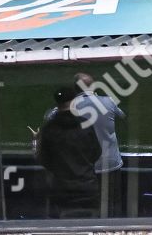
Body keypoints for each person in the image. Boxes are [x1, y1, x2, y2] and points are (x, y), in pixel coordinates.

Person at [35, 86, 102, 219]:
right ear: (74, 101)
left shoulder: (49, 128)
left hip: (61, 189)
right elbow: (96, 152)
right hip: (87, 187)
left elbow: (44, 159)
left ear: (57, 103)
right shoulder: (86, 124)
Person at [72, 73, 126, 218]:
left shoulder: (70, 107)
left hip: (85, 168)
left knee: (88, 208)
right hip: (111, 164)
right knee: (113, 206)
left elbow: (50, 117)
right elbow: (122, 115)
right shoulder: (108, 101)